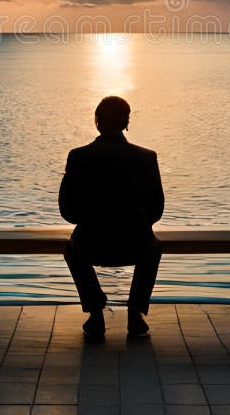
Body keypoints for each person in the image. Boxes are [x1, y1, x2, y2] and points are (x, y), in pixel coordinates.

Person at [59, 95, 164, 339]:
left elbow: (68, 212)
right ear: (127, 122)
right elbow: (156, 210)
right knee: (153, 246)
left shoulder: (79, 157)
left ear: (97, 122)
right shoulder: (147, 158)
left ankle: (96, 313)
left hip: (91, 244)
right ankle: (135, 313)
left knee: (71, 248)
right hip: (135, 244)